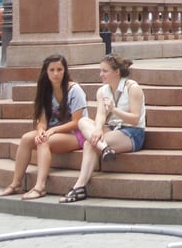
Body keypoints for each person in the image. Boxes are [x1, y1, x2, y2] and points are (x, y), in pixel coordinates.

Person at [0, 54, 88, 200]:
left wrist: (51, 131)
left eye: (59, 69)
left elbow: (77, 122)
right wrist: (40, 131)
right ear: (46, 72)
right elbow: (43, 121)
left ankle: (40, 187)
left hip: (76, 134)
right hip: (54, 132)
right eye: (52, 70)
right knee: (27, 138)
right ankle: (16, 183)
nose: (56, 74)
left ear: (65, 71)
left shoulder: (74, 90)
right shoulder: (45, 90)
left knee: (43, 141)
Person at [60, 52, 146, 203]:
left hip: (132, 132)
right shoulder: (102, 91)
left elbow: (135, 119)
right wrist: (98, 129)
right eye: (100, 71)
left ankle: (79, 187)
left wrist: (114, 110)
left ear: (117, 72)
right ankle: (105, 148)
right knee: (83, 122)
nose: (101, 75)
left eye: (105, 71)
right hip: (111, 129)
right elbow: (100, 114)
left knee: (89, 143)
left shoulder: (133, 88)